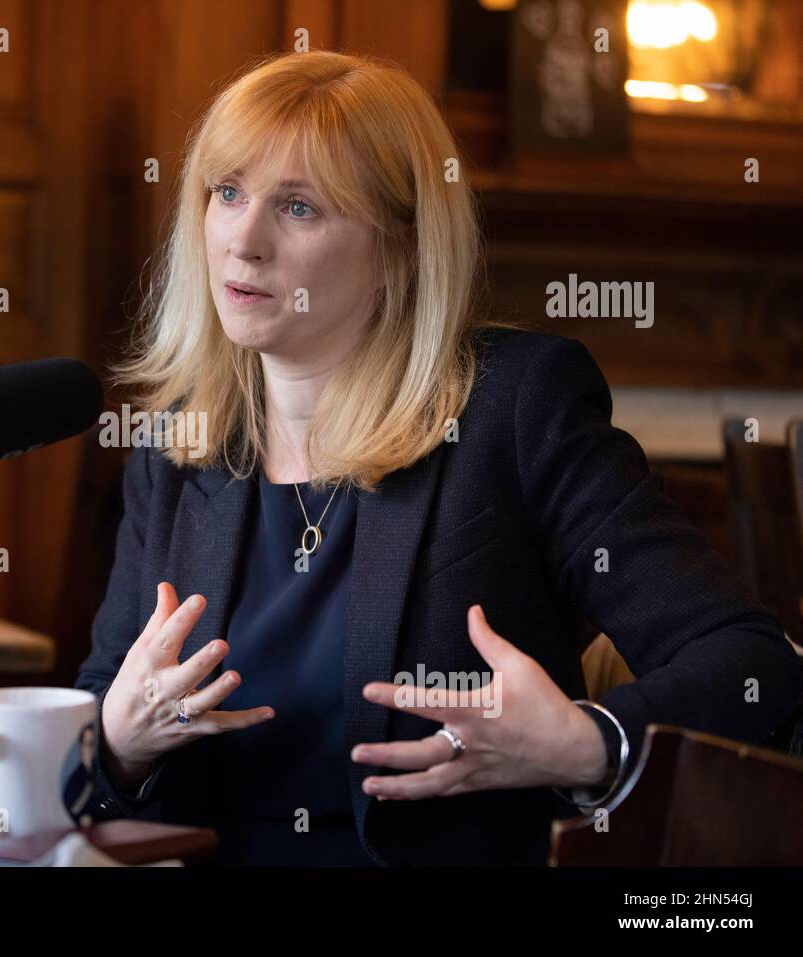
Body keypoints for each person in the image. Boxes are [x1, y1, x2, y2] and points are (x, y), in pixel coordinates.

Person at [74, 51, 800, 866]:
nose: (244, 240)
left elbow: (752, 664)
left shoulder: (513, 411)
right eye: (227, 192)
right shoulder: (177, 445)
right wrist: (119, 741)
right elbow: (92, 728)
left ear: (400, 247)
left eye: (301, 208)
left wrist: (586, 743)